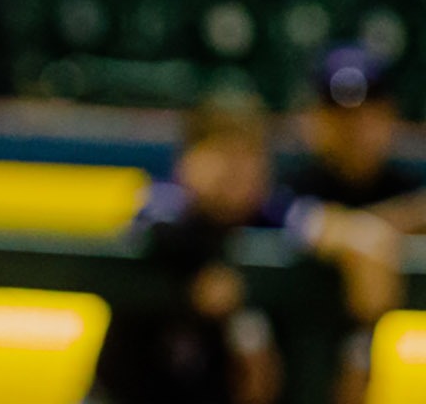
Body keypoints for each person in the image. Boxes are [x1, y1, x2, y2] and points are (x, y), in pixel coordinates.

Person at [87, 94, 284, 404]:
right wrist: (203, 270)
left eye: (247, 155)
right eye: (221, 152)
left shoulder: (270, 217)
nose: (234, 169)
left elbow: (314, 222)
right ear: (187, 160)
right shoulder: (163, 203)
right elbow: (157, 223)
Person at [283, 43, 414, 404]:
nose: (355, 127)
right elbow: (289, 216)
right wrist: (357, 236)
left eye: (369, 111)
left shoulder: (408, 187)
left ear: (391, 115)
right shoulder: (291, 185)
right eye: (338, 113)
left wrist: (379, 227)